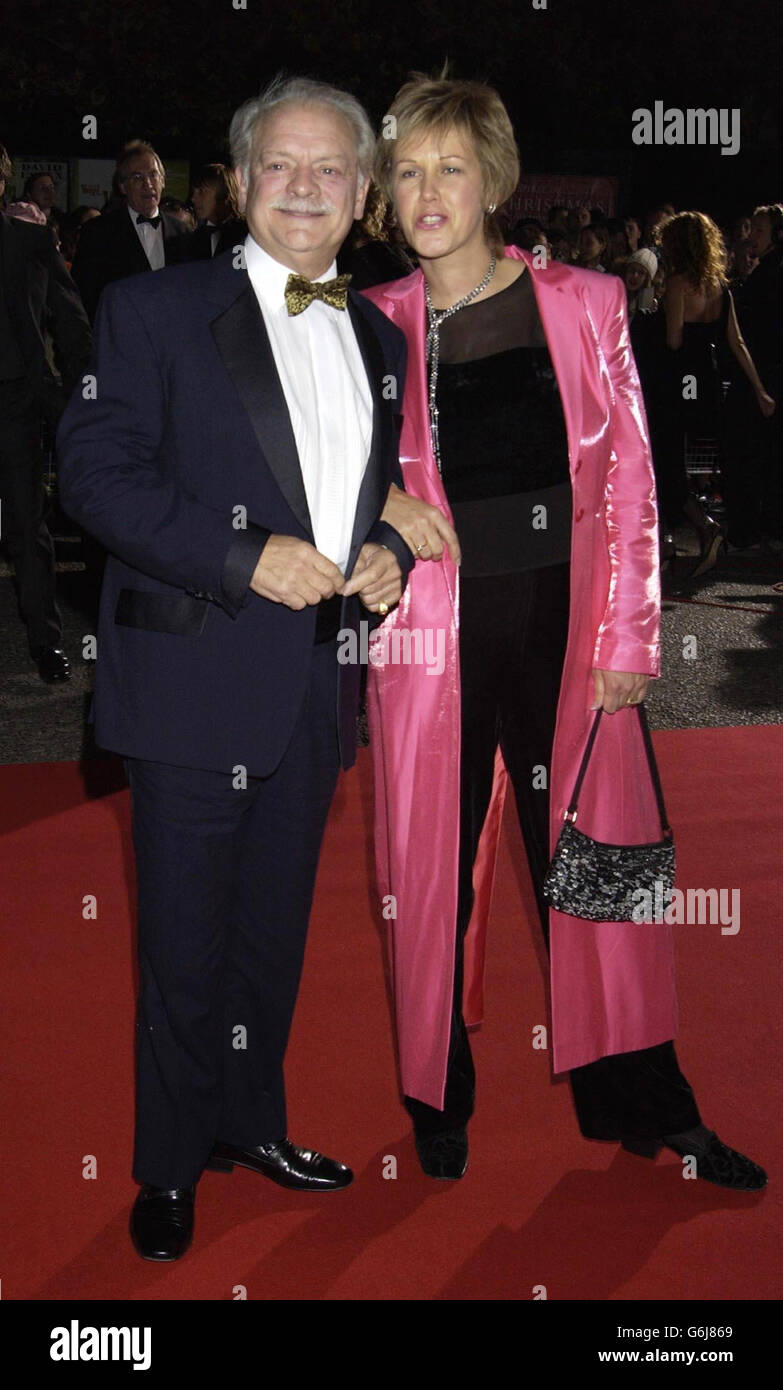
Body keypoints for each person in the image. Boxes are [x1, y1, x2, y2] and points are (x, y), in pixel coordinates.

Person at [364, 74, 766, 1190]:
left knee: (603, 875)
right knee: (426, 874)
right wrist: (375, 512)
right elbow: (319, 475)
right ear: (385, 191)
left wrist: (632, 638)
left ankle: (653, 1103)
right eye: (407, 169)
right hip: (426, 651)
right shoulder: (370, 322)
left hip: (568, 633)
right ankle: (436, 1094)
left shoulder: (584, 302)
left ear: (493, 178)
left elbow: (633, 478)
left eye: (451, 167)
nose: (429, 190)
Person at [57, 74, 413, 1262]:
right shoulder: (150, 310)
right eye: (281, 165)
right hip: (190, 685)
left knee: (273, 936)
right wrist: (239, 555)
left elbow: (371, 496)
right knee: (182, 946)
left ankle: (251, 1125)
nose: (305, 187)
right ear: (242, 177)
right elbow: (95, 478)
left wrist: (387, 555)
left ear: (362, 194)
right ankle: (166, 1166)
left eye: (331, 170)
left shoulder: (377, 333)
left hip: (313, 694)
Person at [0, 200, 91, 681]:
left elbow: (70, 319)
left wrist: (83, 396)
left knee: (25, 525)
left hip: (16, 401)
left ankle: (45, 640)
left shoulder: (30, 241)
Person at [658, 211, 774, 573]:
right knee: (681, 460)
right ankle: (671, 538)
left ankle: (692, 530)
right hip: (705, 382)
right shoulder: (720, 287)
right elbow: (736, 341)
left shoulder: (678, 283)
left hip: (677, 381)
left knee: (664, 457)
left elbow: (674, 341)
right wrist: (760, 390)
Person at [71, 140, 191, 320]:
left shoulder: (184, 233)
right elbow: (84, 297)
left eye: (153, 175)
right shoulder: (98, 233)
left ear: (163, 181)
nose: (148, 184)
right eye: (137, 177)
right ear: (122, 186)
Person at [723, 204, 783, 546]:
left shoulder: (772, 274)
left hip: (763, 376)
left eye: (759, 230)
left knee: (748, 454)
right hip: (763, 375)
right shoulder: (765, 271)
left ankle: (749, 530)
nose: (751, 238)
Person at [188, 162, 246, 259]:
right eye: (194, 192)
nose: (193, 198)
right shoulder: (195, 239)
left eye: (201, 192)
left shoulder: (248, 234)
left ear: (223, 193)